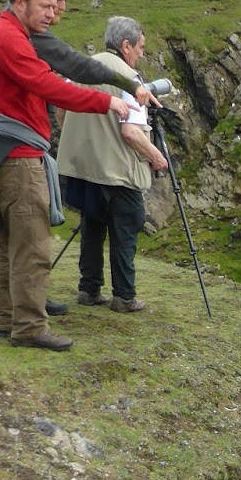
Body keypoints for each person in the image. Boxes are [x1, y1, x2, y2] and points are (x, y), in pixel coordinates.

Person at [0, 0, 132, 351]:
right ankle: (29, 327)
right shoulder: (10, 38)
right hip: (18, 156)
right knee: (32, 245)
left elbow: (50, 78)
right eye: (45, 5)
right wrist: (108, 101)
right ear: (20, 1)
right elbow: (48, 85)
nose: (51, 13)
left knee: (9, 242)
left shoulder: (10, 33)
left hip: (7, 151)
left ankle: (9, 319)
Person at [56, 16, 168, 314]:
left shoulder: (81, 68)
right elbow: (131, 132)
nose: (142, 54)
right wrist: (156, 157)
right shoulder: (129, 81)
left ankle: (89, 289)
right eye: (141, 47)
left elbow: (60, 109)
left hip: (83, 166)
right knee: (126, 228)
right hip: (118, 170)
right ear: (126, 45)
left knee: (92, 226)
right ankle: (124, 296)